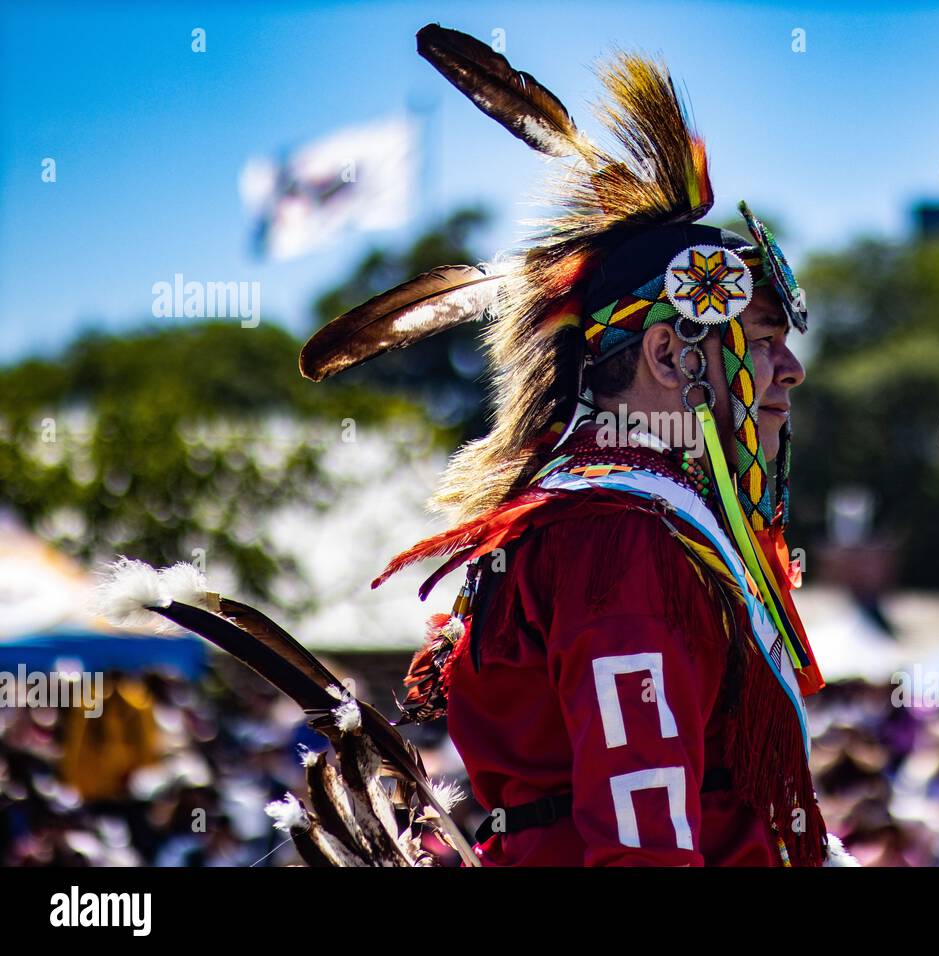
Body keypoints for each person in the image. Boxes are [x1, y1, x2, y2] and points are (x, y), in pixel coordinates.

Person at [294, 24, 842, 866]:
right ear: (668, 354)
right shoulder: (615, 538)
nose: (791, 370)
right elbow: (642, 837)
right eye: (759, 341)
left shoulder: (609, 525)